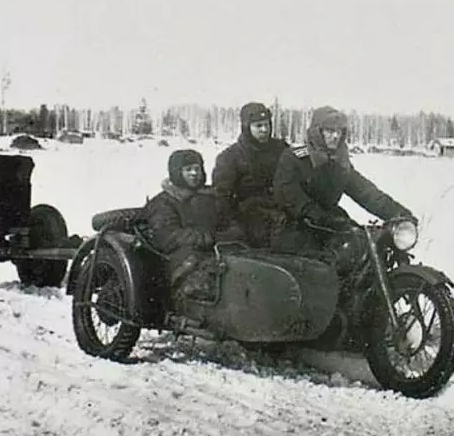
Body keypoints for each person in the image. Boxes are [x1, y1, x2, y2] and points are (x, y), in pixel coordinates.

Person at [272, 106, 416, 271]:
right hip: (295, 228)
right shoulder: (294, 158)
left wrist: (398, 214)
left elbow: (366, 192)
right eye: (329, 130)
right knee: (321, 270)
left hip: (327, 224)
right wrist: (317, 215)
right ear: (317, 132)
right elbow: (288, 195)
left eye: (339, 131)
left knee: (364, 250)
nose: (335, 136)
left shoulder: (339, 162)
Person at [141, 149, 244, 303]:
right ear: (176, 172)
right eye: (188, 169)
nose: (194, 173)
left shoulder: (213, 196)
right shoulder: (163, 202)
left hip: (219, 252)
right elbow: (169, 237)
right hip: (181, 259)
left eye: (197, 168)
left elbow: (233, 223)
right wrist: (205, 238)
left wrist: (229, 235)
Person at [212, 102, 289, 247]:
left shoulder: (281, 149)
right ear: (247, 127)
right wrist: (231, 224)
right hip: (250, 216)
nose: (264, 130)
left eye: (267, 125)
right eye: (258, 126)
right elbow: (221, 195)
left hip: (283, 208)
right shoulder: (231, 156)